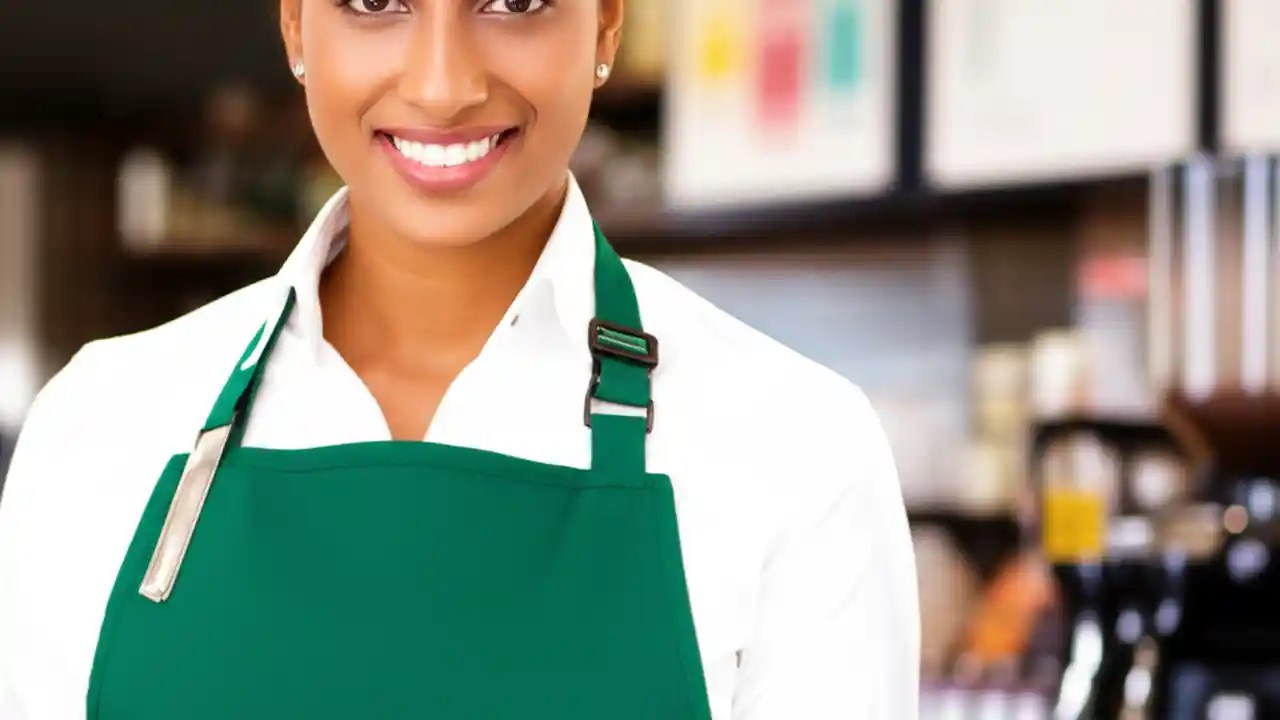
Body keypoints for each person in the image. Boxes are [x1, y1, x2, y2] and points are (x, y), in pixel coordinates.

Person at [0, 1, 919, 717]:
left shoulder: (799, 452)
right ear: (294, 26)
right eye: (375, 1)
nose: (443, 84)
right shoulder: (97, 426)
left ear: (605, 23)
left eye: (514, 2)